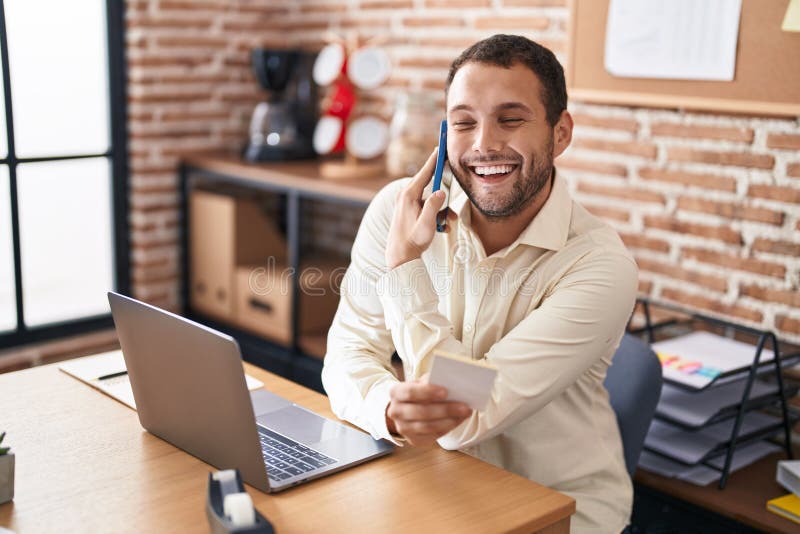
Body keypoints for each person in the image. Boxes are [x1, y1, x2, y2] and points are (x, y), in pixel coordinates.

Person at [322, 34, 637, 533]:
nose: (484, 144)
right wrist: (387, 407)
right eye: (464, 123)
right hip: (435, 481)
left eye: (510, 119)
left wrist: (404, 267)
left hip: (555, 509)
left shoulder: (600, 265)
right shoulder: (397, 211)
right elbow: (348, 351)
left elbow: (461, 420)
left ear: (560, 134)